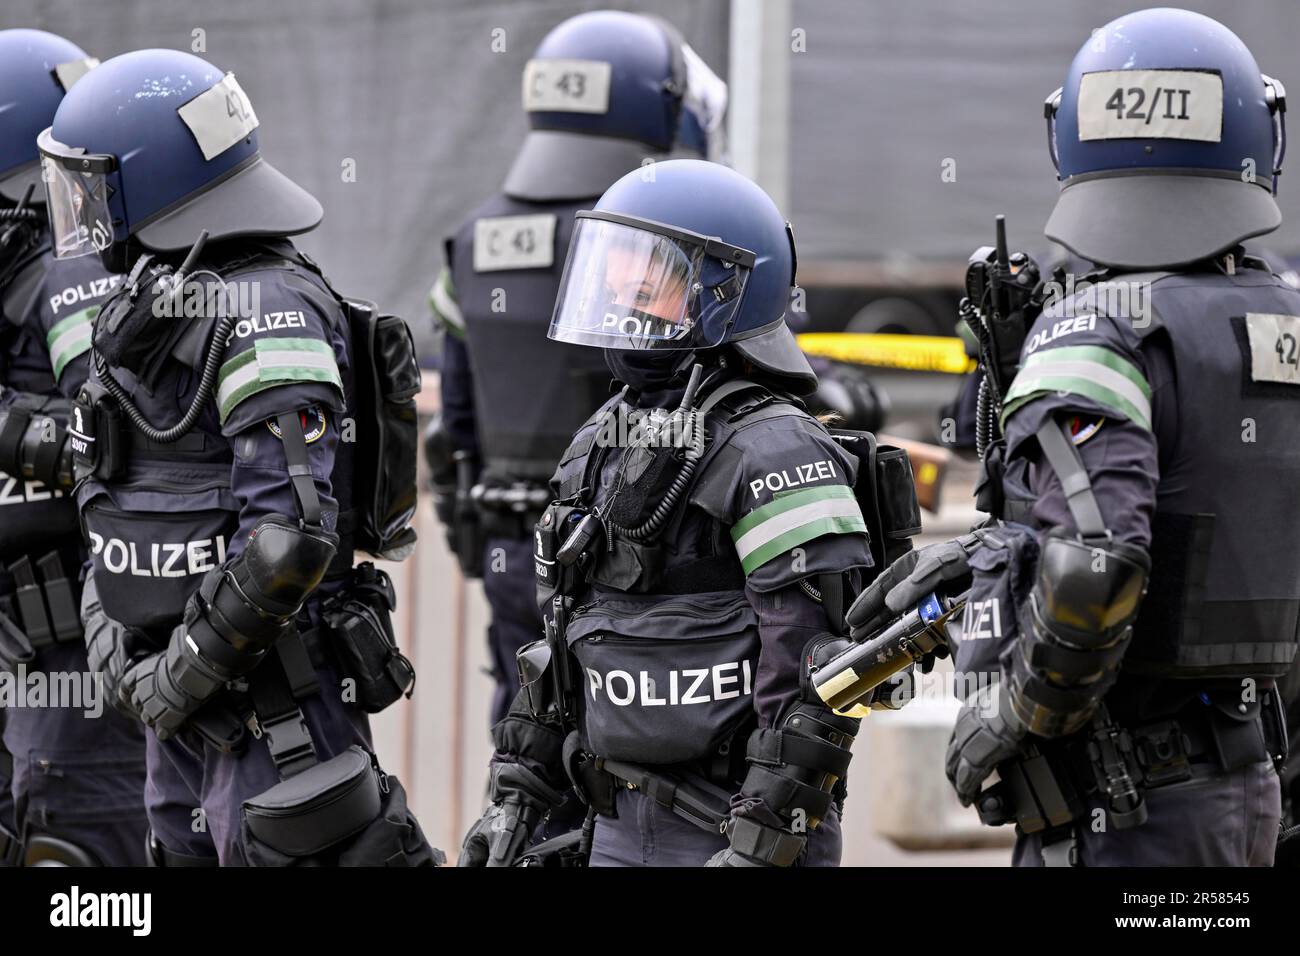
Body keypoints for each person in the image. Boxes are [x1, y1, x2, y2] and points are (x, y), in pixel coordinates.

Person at [849, 8, 1292, 866]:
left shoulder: (1098, 332)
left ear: (1077, 136)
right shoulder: (1280, 319)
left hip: (1125, 811)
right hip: (1248, 782)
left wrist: (1015, 711)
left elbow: (1097, 563)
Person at [458, 159, 922, 867]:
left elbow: (812, 683)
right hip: (614, 825)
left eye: (645, 285)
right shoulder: (602, 439)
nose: (620, 303)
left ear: (723, 292)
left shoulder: (777, 448)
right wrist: (515, 798)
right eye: (613, 281)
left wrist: (764, 840)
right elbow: (559, 647)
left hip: (731, 831)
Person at [41, 48, 435, 866]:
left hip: (273, 707)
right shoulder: (152, 296)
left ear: (158, 181)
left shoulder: (269, 307)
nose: (77, 211)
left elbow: (288, 539)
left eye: (91, 186)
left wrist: (177, 674)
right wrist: (121, 645)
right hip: (182, 706)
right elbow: (106, 485)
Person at [425, 9, 728, 728]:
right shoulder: (654, 244)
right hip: (647, 563)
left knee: (525, 748)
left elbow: (455, 425)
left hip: (518, 555)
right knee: (646, 762)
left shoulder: (473, 240)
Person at [0, 28, 148, 867]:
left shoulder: (68, 270)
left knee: (81, 864)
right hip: (28, 652)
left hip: (71, 653)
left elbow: (125, 434)